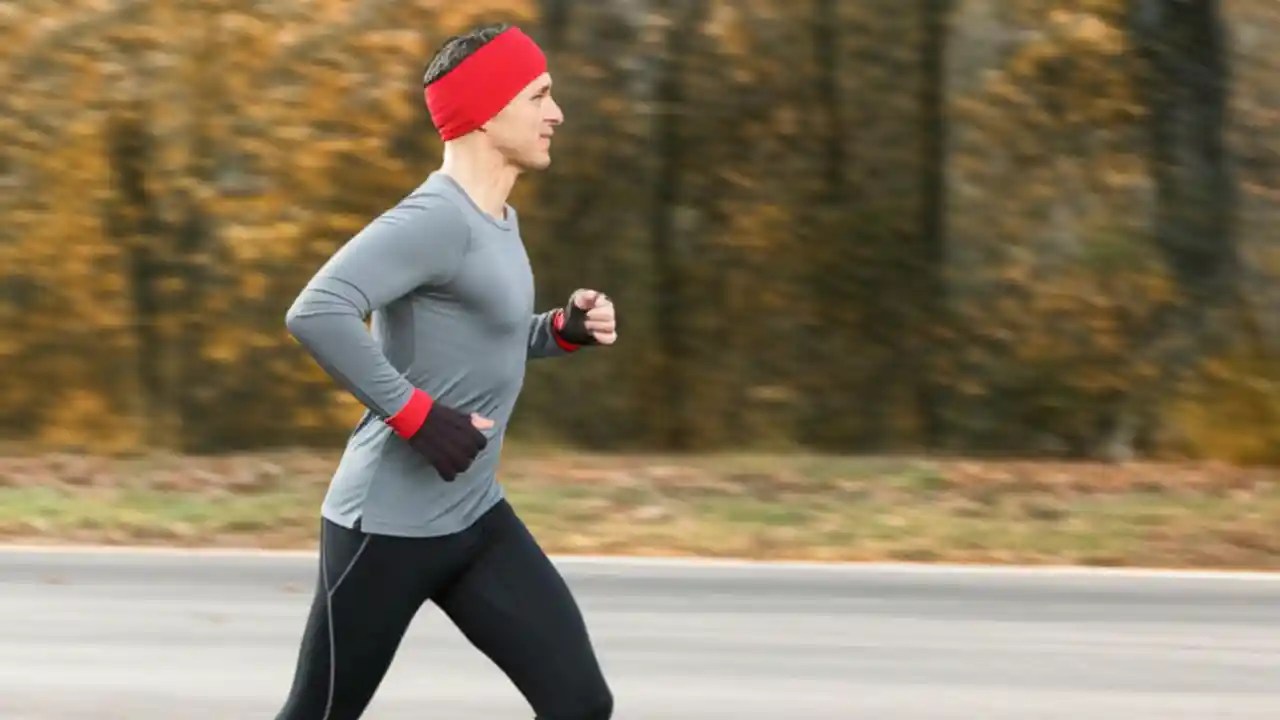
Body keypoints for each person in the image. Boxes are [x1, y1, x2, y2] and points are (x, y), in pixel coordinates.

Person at [275, 23, 617, 720]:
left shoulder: (495, 219)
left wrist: (559, 332)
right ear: (490, 112)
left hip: (474, 517)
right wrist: (416, 417)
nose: (556, 114)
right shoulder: (434, 218)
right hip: (386, 527)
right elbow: (318, 311)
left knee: (580, 704)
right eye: (540, 96)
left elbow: (480, 340)